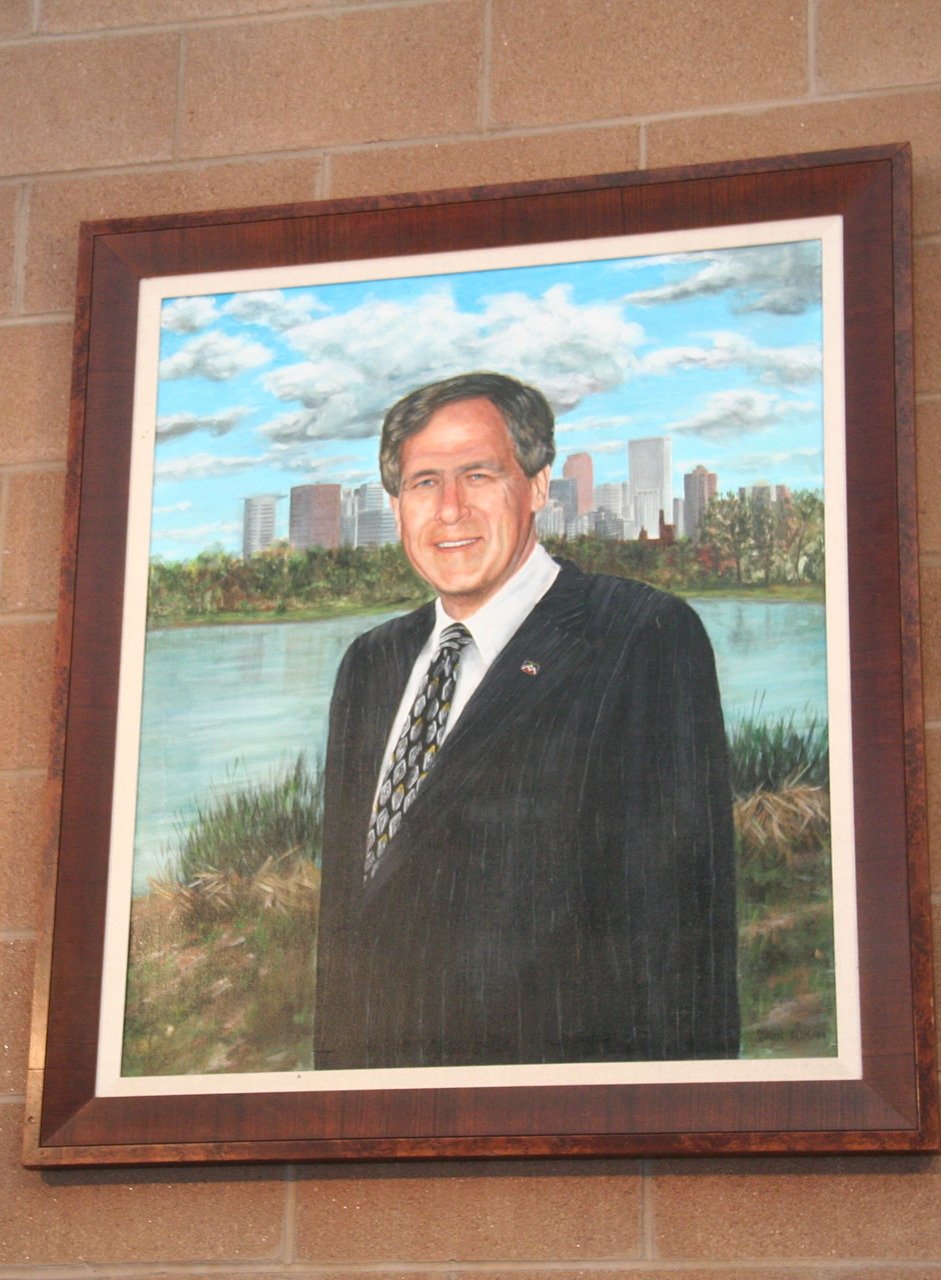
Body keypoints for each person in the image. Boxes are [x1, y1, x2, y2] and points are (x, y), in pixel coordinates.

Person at [313, 371, 739, 1070]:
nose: (449, 510)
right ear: (395, 506)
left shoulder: (640, 636)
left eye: (478, 475)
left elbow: (679, 947)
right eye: (424, 483)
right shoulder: (370, 663)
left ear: (538, 486)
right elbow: (346, 921)